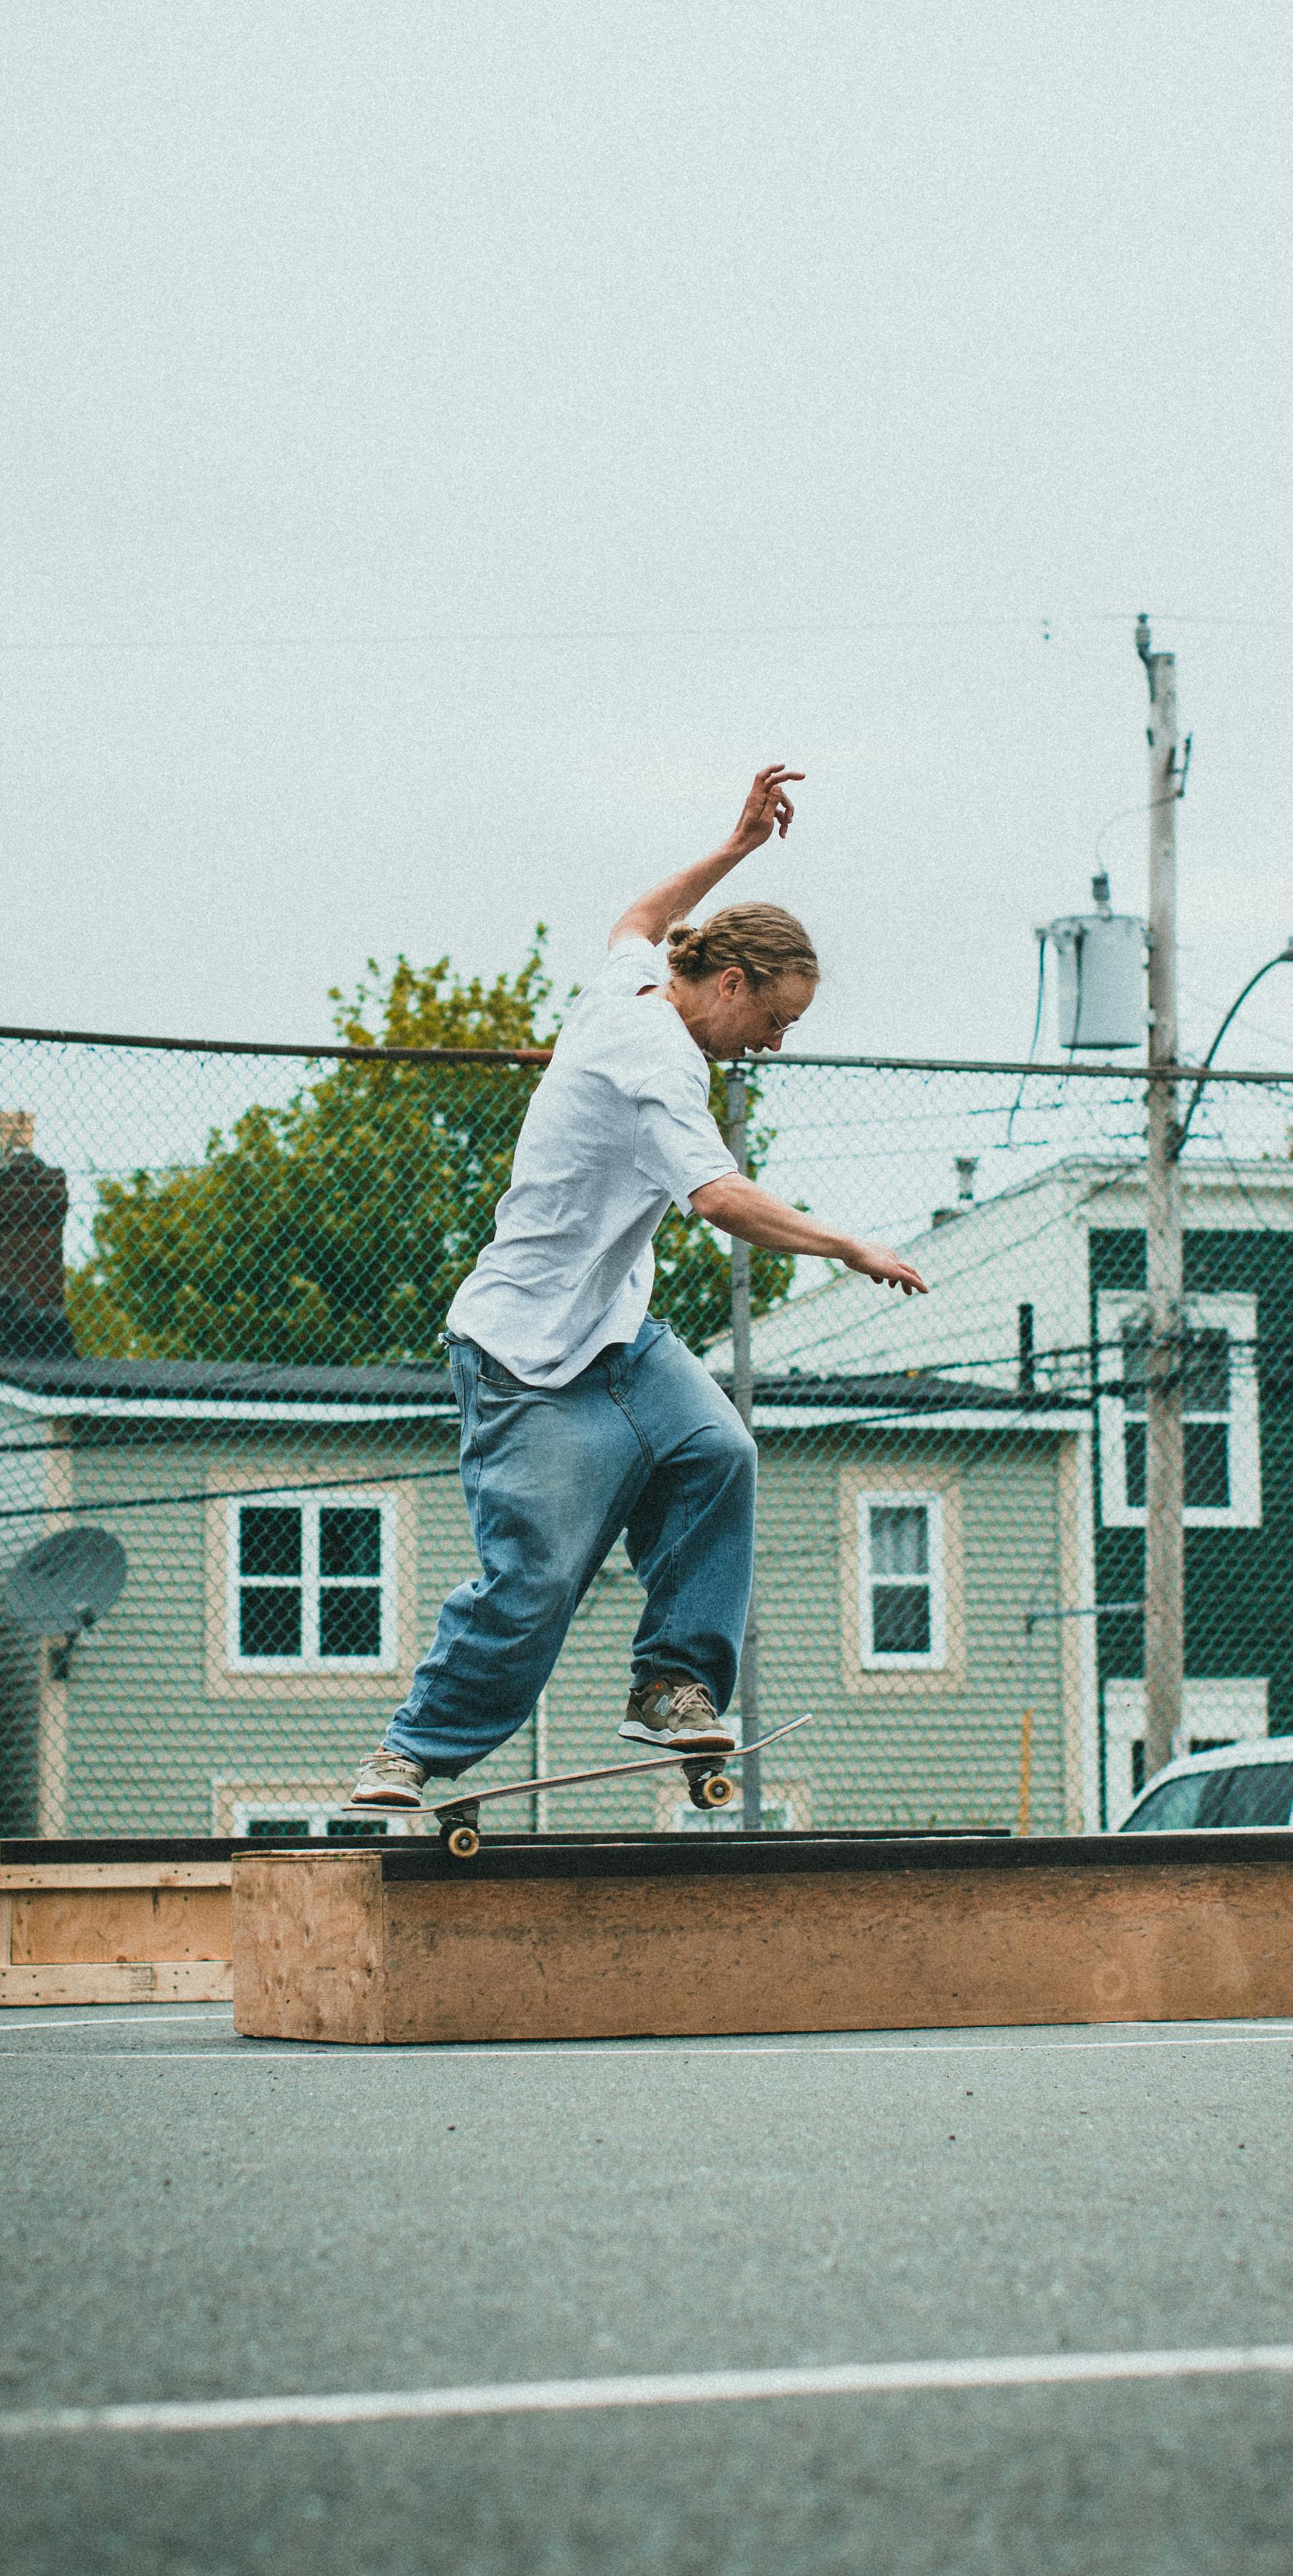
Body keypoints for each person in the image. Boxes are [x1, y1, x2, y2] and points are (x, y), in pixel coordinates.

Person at [348, 766, 928, 1810]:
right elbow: (718, 1199)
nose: (778, 1043)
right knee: (534, 1586)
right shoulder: (661, 1058)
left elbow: (639, 915)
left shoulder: (631, 977)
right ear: (735, 984)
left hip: (616, 1335)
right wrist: (848, 1245)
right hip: (522, 1354)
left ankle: (671, 1681)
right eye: (778, 1019)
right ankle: (409, 1752)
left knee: (717, 1451)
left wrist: (738, 845)